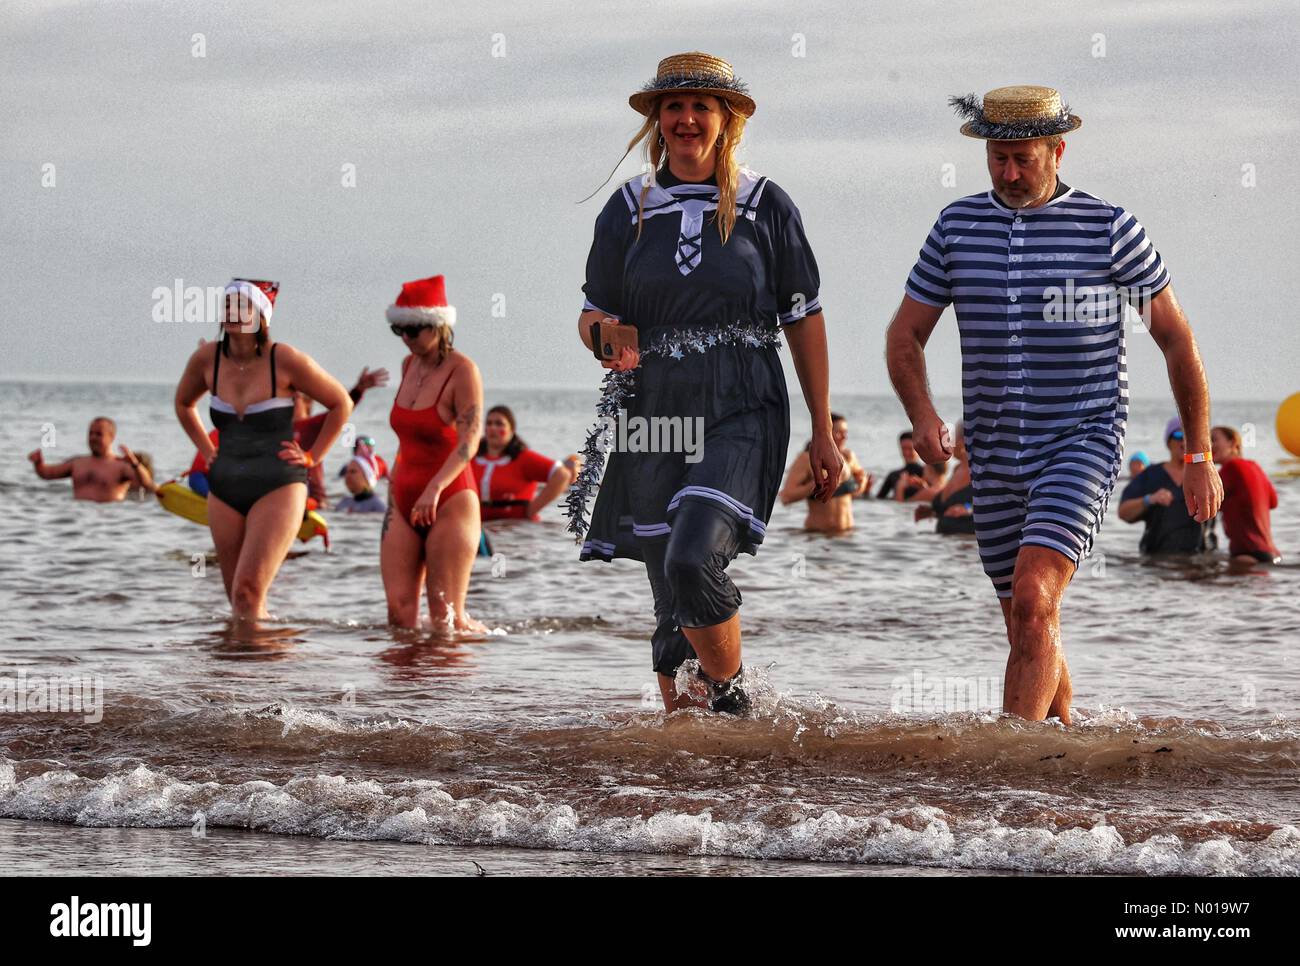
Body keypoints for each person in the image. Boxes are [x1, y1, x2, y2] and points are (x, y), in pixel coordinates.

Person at [886, 85, 1222, 725]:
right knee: (1023, 619)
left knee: (1035, 597)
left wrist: (1201, 454)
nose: (1009, 173)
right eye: (997, 158)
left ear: (1058, 149)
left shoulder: (1110, 229)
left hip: (1082, 442)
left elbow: (1176, 340)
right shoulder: (956, 228)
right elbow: (906, 335)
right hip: (993, 450)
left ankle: (1007, 771)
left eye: (1023, 158)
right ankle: (1064, 751)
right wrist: (923, 416)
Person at [571, 51, 842, 714]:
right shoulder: (628, 208)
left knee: (693, 557)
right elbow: (592, 312)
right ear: (657, 121)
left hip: (743, 399)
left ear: (727, 121)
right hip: (653, 404)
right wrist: (606, 337)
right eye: (674, 106)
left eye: (701, 106)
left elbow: (803, 318)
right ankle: (693, 767)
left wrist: (821, 428)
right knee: (669, 597)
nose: (686, 118)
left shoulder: (765, 204)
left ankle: (732, 698)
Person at [174, 278, 352, 621]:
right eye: (227, 304)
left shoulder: (283, 359)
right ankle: (246, 672)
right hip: (225, 484)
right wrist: (205, 449)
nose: (232, 311)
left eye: (242, 305)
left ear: (262, 317)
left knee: (248, 593)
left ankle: (272, 673)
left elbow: (340, 403)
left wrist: (314, 456)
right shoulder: (207, 359)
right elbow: (183, 404)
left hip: (278, 483)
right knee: (238, 603)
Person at [381, 275, 486, 633]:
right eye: (400, 331)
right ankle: (405, 691)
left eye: (414, 330)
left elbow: (469, 441)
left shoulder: (462, 370)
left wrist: (434, 488)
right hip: (404, 496)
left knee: (446, 618)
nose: (407, 339)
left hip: (450, 496)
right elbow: (406, 437)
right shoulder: (408, 367)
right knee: (399, 613)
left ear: (438, 324)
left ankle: (454, 687)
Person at [1118, 417, 1217, 554]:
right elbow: (1123, 513)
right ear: (1168, 442)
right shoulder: (1150, 475)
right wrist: (1149, 500)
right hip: (1157, 559)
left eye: (1190, 436)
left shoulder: (1207, 476)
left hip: (1200, 559)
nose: (1184, 440)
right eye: (1179, 435)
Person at [294, 366, 389, 508]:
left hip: (313, 501)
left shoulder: (311, 425)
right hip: (289, 497)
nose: (286, 401)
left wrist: (358, 390)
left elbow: (342, 409)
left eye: (294, 398)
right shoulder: (275, 428)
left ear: (307, 403)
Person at [473, 405, 579, 521]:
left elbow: (562, 475)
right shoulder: (471, 458)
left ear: (511, 430)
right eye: (489, 423)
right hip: (482, 525)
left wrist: (532, 509)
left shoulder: (523, 458)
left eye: (499, 424)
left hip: (517, 528)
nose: (492, 428)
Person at [28, 417, 153, 502]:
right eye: (91, 433)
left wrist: (135, 463)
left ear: (111, 437)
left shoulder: (121, 466)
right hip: (78, 518)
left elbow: (146, 483)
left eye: (99, 434)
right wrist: (38, 463)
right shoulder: (77, 463)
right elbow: (47, 474)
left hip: (111, 518)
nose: (93, 438)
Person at [780, 413, 869, 532]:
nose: (844, 437)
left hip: (847, 536)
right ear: (826, 433)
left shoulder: (848, 457)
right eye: (839, 432)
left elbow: (858, 487)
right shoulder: (807, 459)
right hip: (818, 536)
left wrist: (861, 484)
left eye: (846, 432)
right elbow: (786, 497)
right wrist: (819, 481)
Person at [1211, 424, 1280, 564]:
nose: (1209, 445)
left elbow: (1206, 501)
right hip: (1270, 552)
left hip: (1247, 552)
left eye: (1214, 440)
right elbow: (1273, 502)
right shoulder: (1254, 466)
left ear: (1232, 443)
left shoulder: (1230, 468)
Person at [913, 423, 974, 535]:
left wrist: (969, 509)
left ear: (964, 441)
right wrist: (933, 512)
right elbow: (953, 507)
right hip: (944, 548)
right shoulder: (957, 468)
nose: (948, 442)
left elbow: (997, 502)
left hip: (967, 545)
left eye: (951, 438)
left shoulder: (981, 470)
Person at [874, 431, 926, 499]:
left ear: (918, 449)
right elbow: (879, 499)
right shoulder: (893, 475)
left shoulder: (926, 473)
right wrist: (866, 490)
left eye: (910, 449)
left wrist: (924, 486)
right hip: (898, 509)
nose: (906, 453)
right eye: (903, 449)